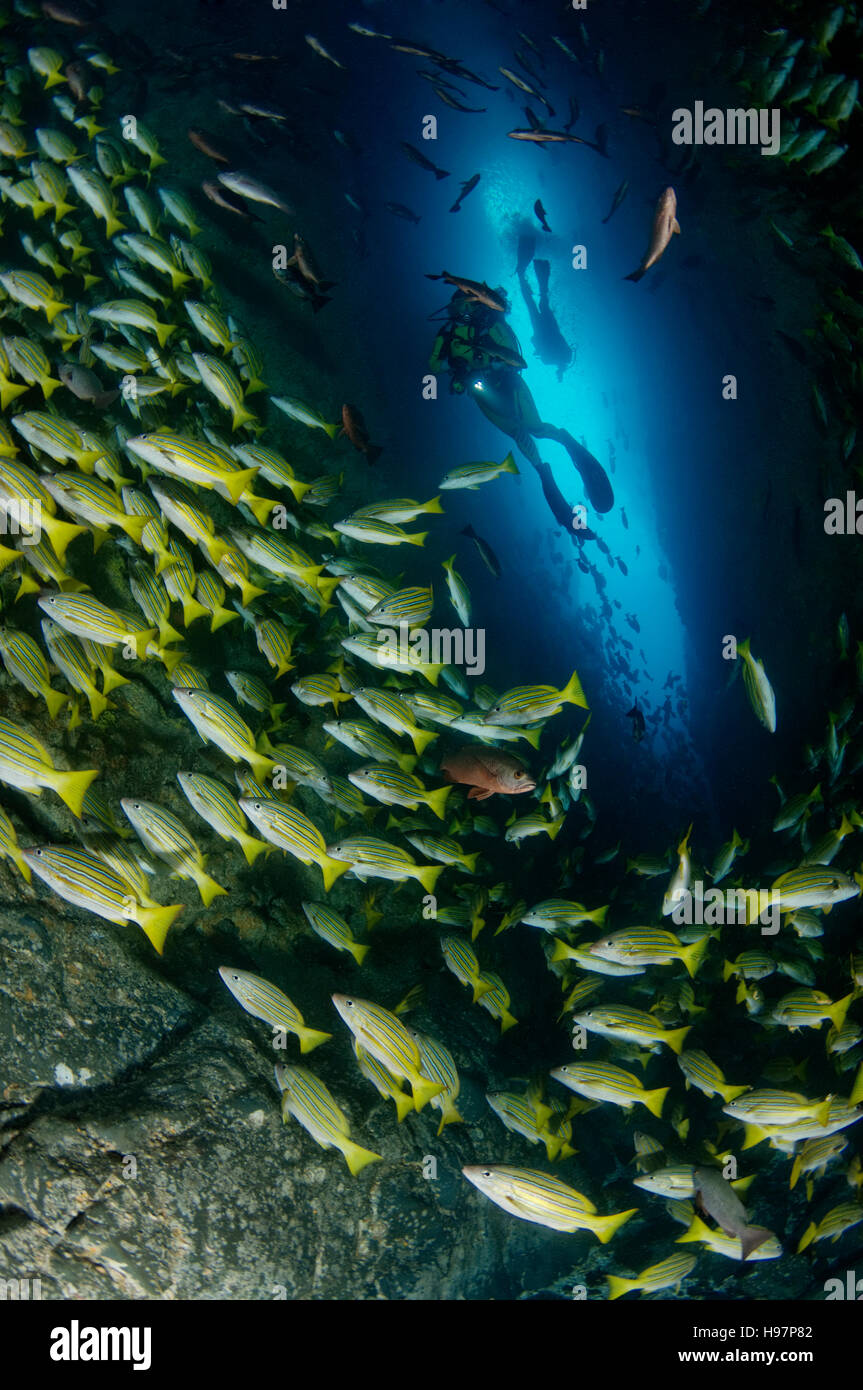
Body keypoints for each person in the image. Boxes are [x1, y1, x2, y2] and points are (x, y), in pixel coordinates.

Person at [429, 288, 614, 517]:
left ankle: (568, 443)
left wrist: (494, 363)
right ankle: (544, 475)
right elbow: (434, 366)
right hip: (482, 394)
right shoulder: (446, 335)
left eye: (467, 305)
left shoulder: (490, 326)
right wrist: (456, 368)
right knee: (518, 433)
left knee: (535, 428)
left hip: (511, 385)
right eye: (457, 307)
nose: (462, 312)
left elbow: (515, 357)